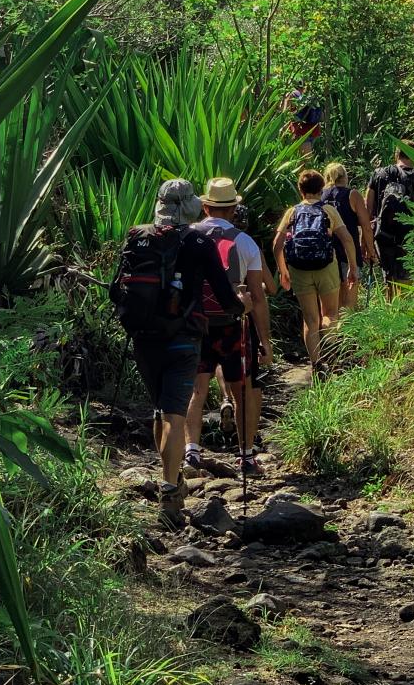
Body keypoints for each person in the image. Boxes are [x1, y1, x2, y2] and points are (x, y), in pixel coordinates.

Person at [110, 179, 249, 529]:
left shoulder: (137, 235)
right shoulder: (198, 241)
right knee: (173, 413)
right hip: (184, 337)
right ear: (190, 207)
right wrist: (240, 308)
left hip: (143, 337)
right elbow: (222, 291)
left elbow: (117, 289)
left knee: (160, 409)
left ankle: (169, 475)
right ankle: (170, 492)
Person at [185, 178, 273, 478]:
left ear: (205, 206)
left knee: (197, 389)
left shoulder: (188, 237)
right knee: (241, 391)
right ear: (234, 208)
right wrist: (265, 340)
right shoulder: (245, 242)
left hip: (196, 324)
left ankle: (191, 452)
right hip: (234, 326)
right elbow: (258, 297)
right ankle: (246, 457)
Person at [274, 169, 357, 371]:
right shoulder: (328, 210)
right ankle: (332, 353)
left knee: (310, 319)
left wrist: (283, 271)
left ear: (300, 189)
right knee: (330, 313)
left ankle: (316, 364)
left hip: (299, 269)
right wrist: (353, 267)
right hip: (326, 266)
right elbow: (347, 239)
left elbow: (277, 244)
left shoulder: (292, 212)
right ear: (321, 189)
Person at [366, 146, 414, 299]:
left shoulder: (378, 174)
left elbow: (368, 210)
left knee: (389, 279)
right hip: (411, 236)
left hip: (384, 235)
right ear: (413, 156)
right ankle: (406, 314)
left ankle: (391, 312)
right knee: (407, 278)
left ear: (396, 155)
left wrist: (366, 238)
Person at [322, 162, 376, 310]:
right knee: (349, 302)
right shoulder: (352, 194)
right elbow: (366, 226)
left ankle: (333, 332)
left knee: (333, 304)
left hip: (326, 253)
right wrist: (371, 250)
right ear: (345, 177)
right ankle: (346, 330)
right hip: (349, 250)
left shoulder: (320, 195)